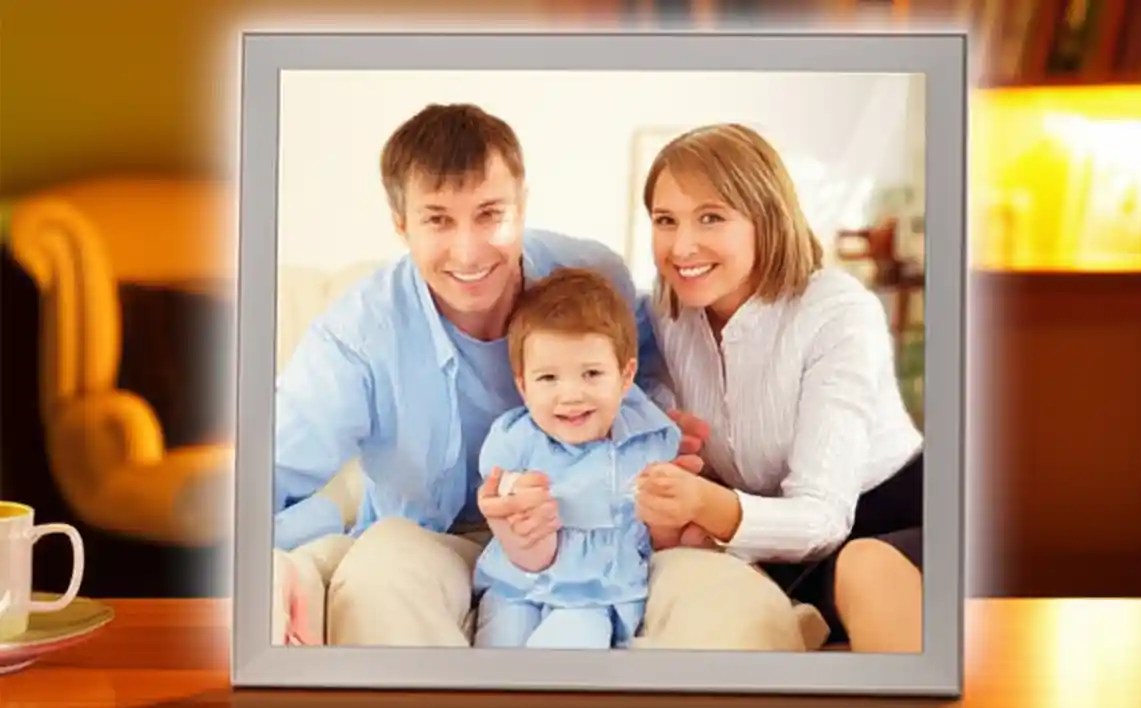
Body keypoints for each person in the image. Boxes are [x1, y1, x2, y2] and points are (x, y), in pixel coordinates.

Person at [270, 103, 705, 646]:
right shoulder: (358, 335)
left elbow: (649, 370)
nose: (469, 250)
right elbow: (267, 475)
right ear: (401, 224)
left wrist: (661, 422)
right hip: (431, 539)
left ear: (523, 206)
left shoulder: (594, 277)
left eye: (489, 214)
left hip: (588, 541)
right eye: (437, 219)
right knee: (378, 575)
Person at [633, 123, 925, 653]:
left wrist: (705, 502)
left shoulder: (837, 312)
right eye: (665, 220)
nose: (681, 245)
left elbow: (822, 516)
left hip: (886, 521)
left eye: (711, 218)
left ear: (765, 219)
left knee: (865, 569)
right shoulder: (664, 310)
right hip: (769, 542)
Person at [469, 268, 682, 649]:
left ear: (625, 375)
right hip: (515, 584)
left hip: (595, 591)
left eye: (591, 374)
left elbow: (661, 523)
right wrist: (513, 499)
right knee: (497, 650)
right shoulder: (515, 438)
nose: (570, 395)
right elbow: (499, 492)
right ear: (522, 384)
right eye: (548, 378)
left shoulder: (645, 438)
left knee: (564, 651)